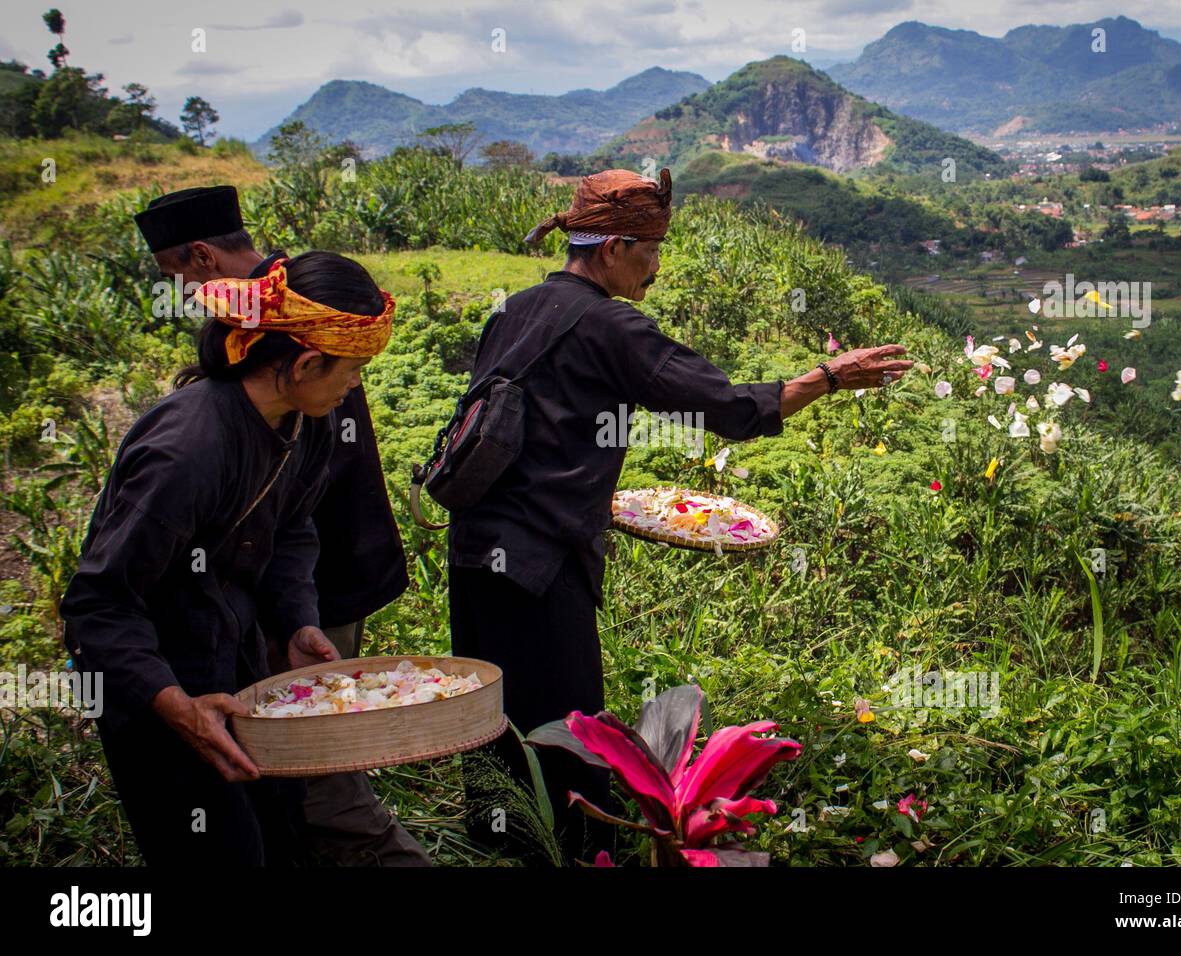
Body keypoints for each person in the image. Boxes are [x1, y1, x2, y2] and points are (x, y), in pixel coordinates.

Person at [447, 167, 913, 864]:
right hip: (540, 565)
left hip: (475, 549)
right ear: (610, 249)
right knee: (563, 729)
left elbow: (522, 426)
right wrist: (829, 378)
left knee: (491, 721)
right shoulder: (612, 325)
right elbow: (722, 408)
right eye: (651, 251)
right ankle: (578, 855)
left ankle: (495, 847)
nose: (657, 269)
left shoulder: (516, 307)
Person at [60, 251, 398, 865]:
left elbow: (293, 531)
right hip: (155, 682)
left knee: (278, 836)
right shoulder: (187, 452)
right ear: (305, 363)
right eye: (352, 369)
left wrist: (297, 620)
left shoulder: (305, 421)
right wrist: (179, 709)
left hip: (232, 657)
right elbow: (98, 607)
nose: (356, 386)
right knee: (214, 847)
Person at [126, 186, 429, 866]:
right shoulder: (207, 429)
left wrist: (293, 614)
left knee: (312, 774)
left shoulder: (303, 341)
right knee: (275, 776)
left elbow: (296, 518)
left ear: (201, 257)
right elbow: (108, 601)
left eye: (179, 278)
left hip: (313, 587)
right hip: (268, 601)